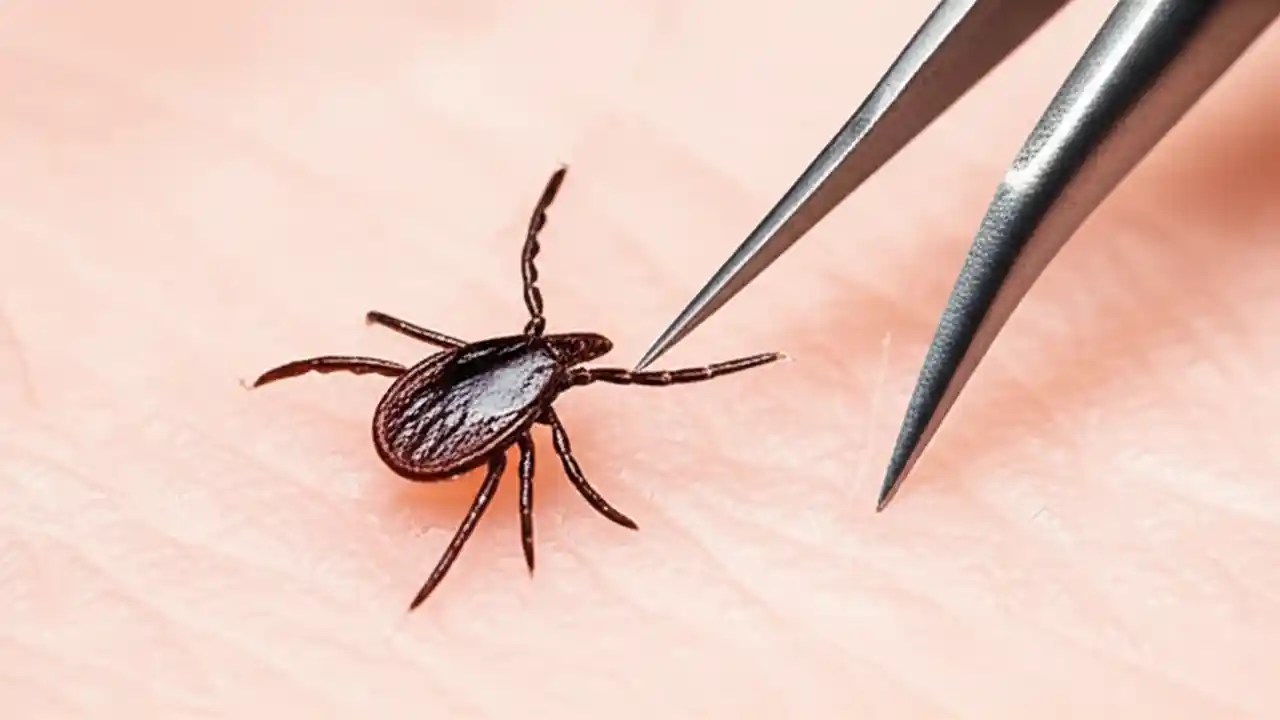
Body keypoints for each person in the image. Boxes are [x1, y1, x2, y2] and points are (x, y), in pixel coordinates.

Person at [2, 0, 1278, 715]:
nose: (558, 354)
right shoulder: (522, 400)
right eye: (547, 351)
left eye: (546, 350)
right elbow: (494, 439)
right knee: (514, 469)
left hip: (437, 421)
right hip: (445, 424)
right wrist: (574, 484)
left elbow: (401, 369)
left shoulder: (502, 382)